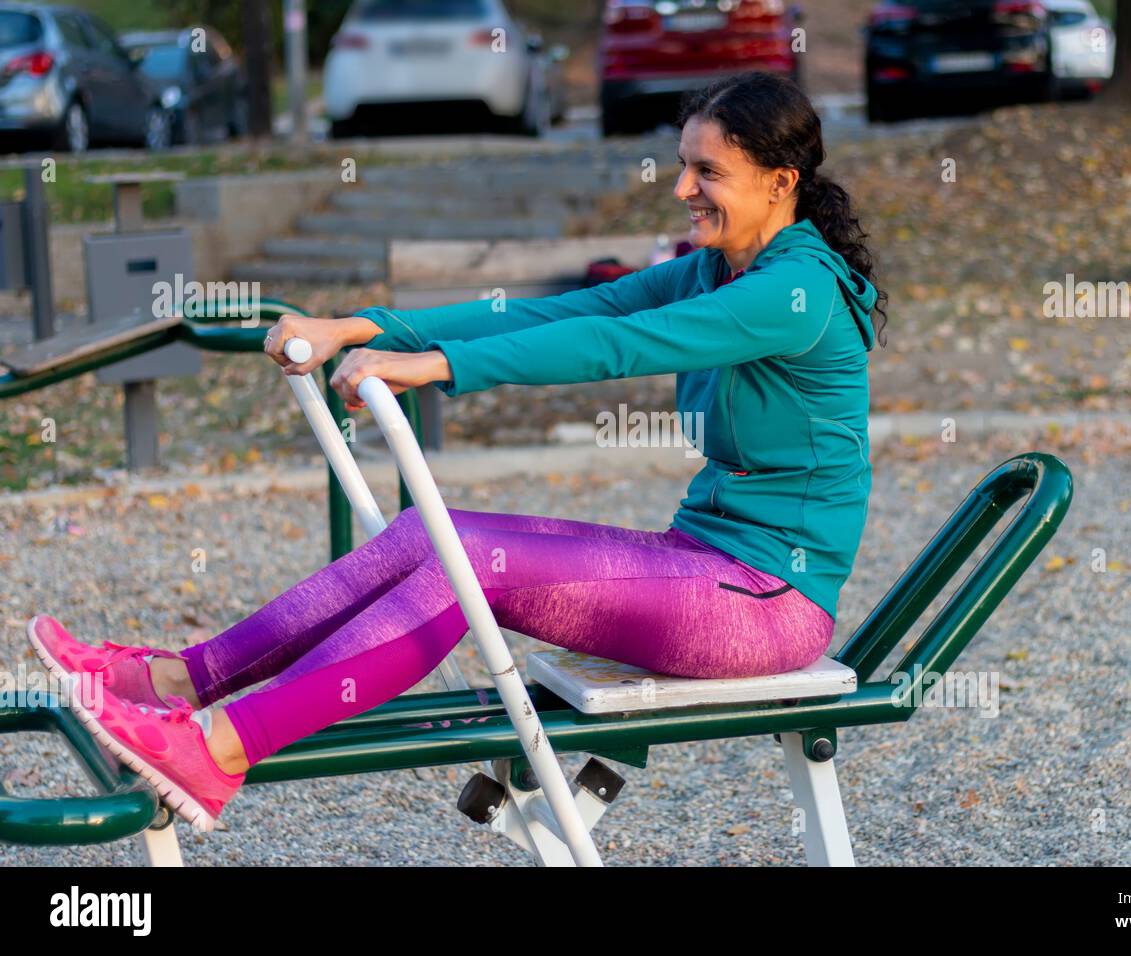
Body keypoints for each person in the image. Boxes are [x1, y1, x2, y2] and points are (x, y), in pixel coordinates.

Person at [29, 70, 887, 833]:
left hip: (766, 601)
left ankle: (216, 751)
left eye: (708, 173)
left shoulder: (796, 292)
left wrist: (437, 367)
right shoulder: (719, 267)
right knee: (422, 533)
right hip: (704, 559)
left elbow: (621, 348)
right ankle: (181, 683)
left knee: (460, 564)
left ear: (781, 183)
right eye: (683, 165)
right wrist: (365, 326)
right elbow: (562, 314)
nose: (682, 189)